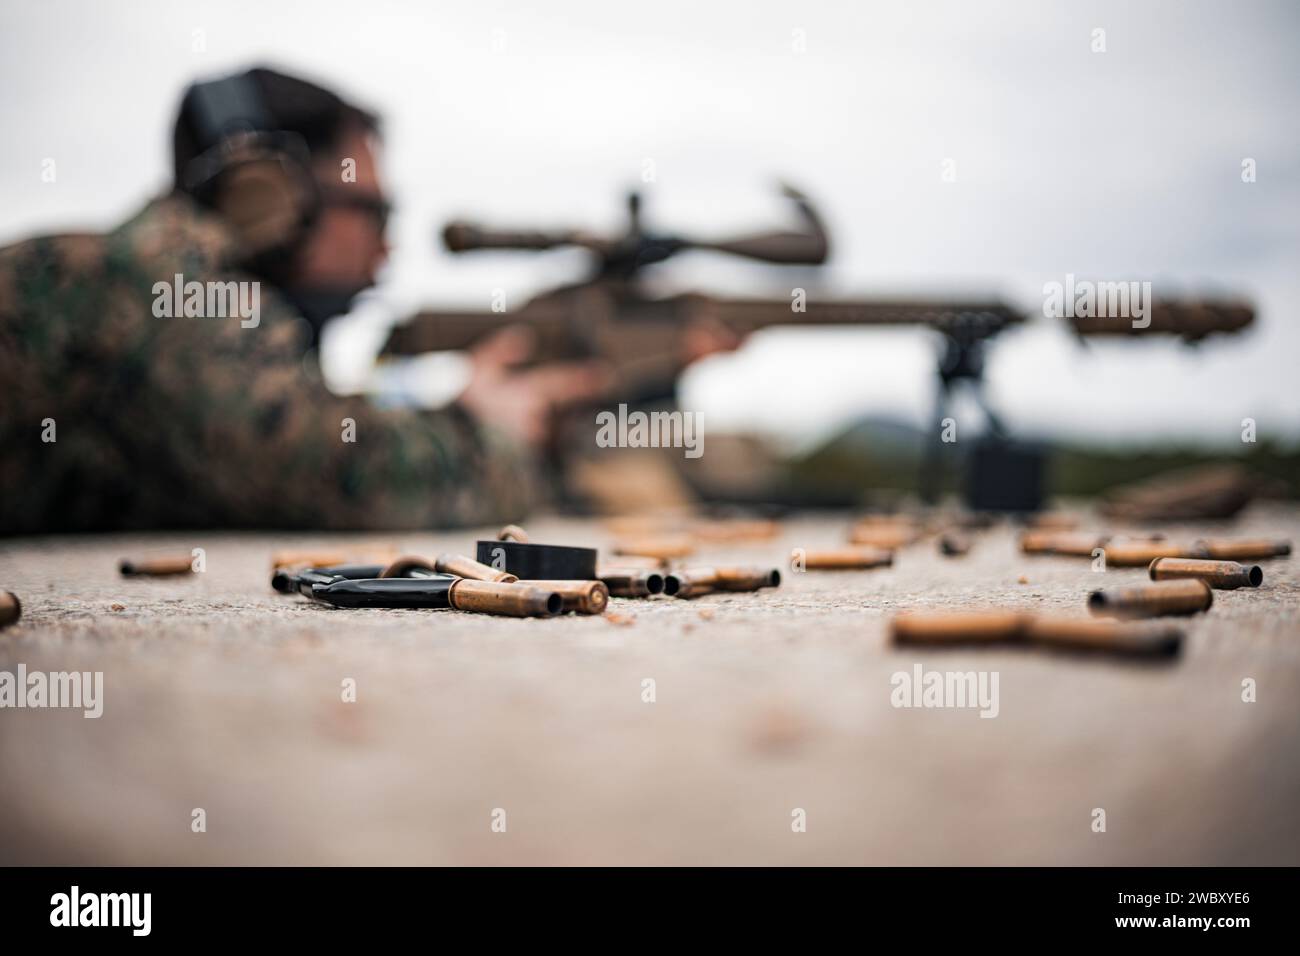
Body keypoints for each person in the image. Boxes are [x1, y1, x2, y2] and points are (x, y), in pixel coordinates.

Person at [0, 67, 610, 534]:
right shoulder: (165, 283)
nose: (388, 248)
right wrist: (491, 433)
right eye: (372, 210)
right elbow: (337, 476)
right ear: (267, 199)